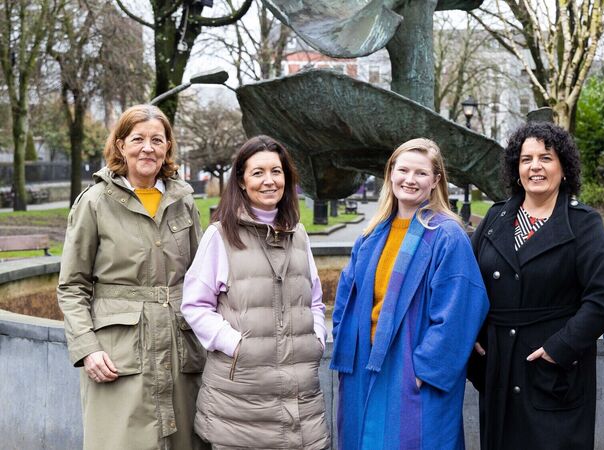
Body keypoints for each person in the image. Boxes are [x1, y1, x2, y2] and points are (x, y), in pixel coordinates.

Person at [58, 104, 206, 449]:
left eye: (158, 139)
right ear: (120, 145)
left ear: (168, 146)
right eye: (138, 138)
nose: (148, 148)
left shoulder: (183, 201)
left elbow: (201, 278)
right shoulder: (94, 202)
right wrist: (87, 348)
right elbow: (72, 286)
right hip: (121, 356)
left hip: (179, 349)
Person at [469, 122, 604, 450]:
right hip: (499, 367)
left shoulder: (583, 223)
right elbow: (467, 286)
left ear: (564, 167)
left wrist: (560, 347)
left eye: (546, 158)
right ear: (516, 168)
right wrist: (472, 338)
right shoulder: (494, 221)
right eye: (526, 159)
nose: (535, 166)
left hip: (553, 371)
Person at [330, 138, 489, 450]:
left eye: (420, 173)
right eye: (403, 170)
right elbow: (346, 298)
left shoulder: (445, 235)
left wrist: (426, 370)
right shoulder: (373, 234)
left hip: (411, 366)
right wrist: (344, 338)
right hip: (364, 363)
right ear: (391, 174)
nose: (410, 179)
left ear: (435, 181)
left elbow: (458, 311)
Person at [181, 136, 329, 449]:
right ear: (242, 181)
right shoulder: (220, 236)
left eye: (276, 171)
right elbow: (195, 305)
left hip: (302, 400)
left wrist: (315, 337)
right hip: (240, 405)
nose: (269, 181)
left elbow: (315, 299)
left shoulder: (299, 235)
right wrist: (236, 346)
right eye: (258, 172)